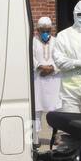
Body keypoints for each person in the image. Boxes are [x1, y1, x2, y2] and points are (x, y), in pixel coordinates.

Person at [31, 16, 60, 145]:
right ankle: (34, 139)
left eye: (47, 30)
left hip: (54, 80)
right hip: (38, 80)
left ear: (51, 29)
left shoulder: (57, 41)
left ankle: (55, 136)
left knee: (55, 110)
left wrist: (52, 68)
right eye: (42, 30)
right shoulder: (32, 42)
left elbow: (61, 59)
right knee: (36, 110)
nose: (45, 33)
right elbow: (30, 57)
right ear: (37, 30)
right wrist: (40, 66)